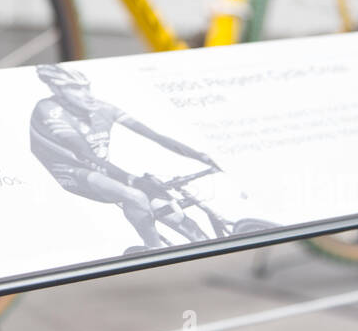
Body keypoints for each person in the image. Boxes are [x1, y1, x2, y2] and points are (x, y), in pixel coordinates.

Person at [29, 63, 217, 249]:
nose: (85, 93)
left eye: (86, 87)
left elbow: (155, 137)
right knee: (135, 196)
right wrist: (131, 179)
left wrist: (201, 156)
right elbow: (83, 153)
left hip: (101, 169)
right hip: (71, 171)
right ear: (55, 88)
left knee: (170, 211)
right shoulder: (48, 109)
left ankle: (204, 246)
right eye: (75, 88)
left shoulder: (102, 108)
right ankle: (155, 249)